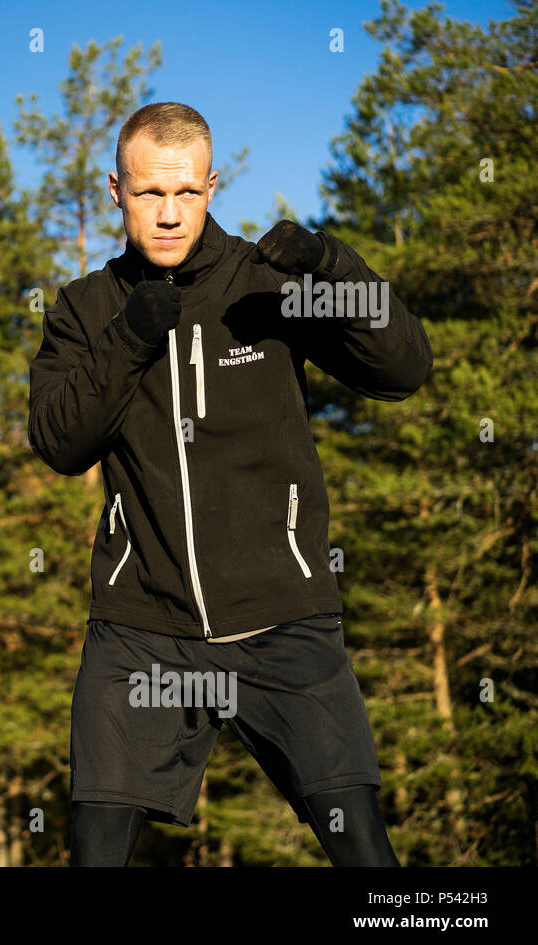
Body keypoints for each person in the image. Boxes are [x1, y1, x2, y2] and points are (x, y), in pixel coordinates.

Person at [27, 102, 432, 866]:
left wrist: (333, 266)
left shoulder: (268, 283)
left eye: (187, 193)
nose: (170, 215)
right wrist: (132, 336)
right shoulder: (86, 309)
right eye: (150, 195)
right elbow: (59, 442)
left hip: (285, 622)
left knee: (367, 856)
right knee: (94, 853)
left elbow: (405, 369)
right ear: (116, 190)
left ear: (213, 184)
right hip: (141, 635)